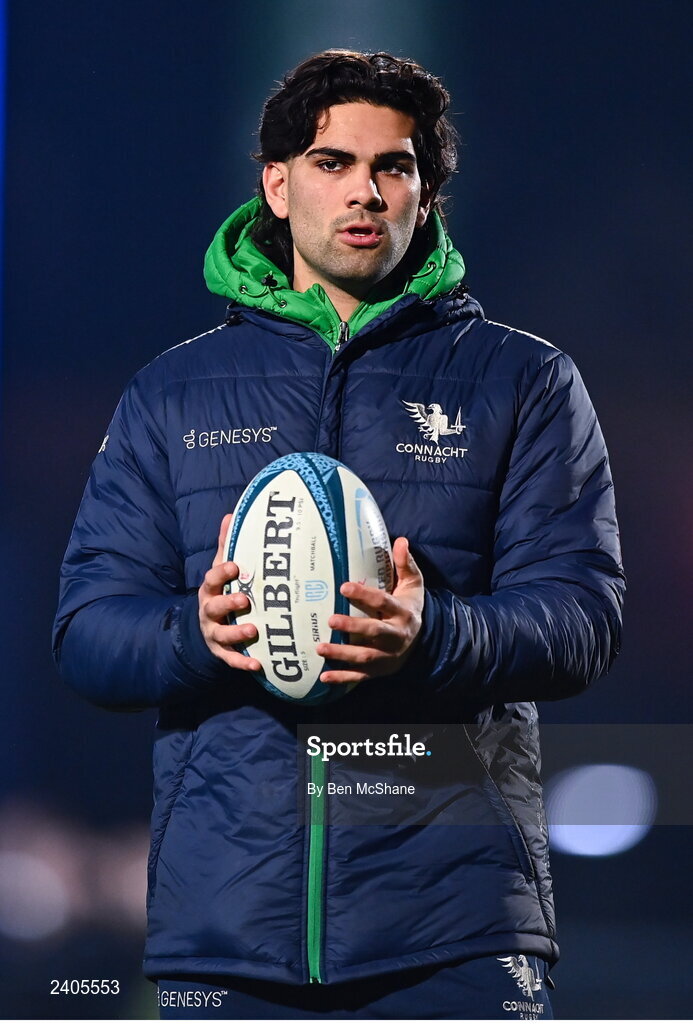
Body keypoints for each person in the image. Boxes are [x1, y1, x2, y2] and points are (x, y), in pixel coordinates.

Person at [53, 50, 625, 1020]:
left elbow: (584, 617)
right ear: (276, 185)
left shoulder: (522, 381)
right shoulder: (171, 392)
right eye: (331, 162)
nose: (365, 190)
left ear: (426, 191)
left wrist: (433, 634)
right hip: (230, 936)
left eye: (393, 167)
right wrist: (199, 636)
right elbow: (86, 633)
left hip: (456, 934)